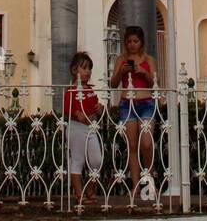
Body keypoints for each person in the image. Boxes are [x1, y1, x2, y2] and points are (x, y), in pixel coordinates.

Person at [110, 26, 157, 202]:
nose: (132, 45)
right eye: (129, 41)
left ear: (141, 42)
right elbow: (113, 84)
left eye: (135, 41)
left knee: (146, 143)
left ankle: (149, 182)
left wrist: (144, 73)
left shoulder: (148, 59)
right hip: (126, 104)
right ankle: (136, 185)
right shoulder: (121, 60)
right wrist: (121, 72)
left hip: (146, 103)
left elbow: (154, 83)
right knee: (132, 145)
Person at [63, 51, 102, 205]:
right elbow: (68, 109)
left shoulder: (90, 90)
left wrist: (99, 108)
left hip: (91, 128)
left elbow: (95, 108)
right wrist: (76, 113)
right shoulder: (71, 90)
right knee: (77, 160)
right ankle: (79, 194)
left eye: (89, 69)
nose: (87, 72)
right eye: (84, 68)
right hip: (77, 128)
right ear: (74, 70)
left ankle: (90, 189)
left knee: (96, 161)